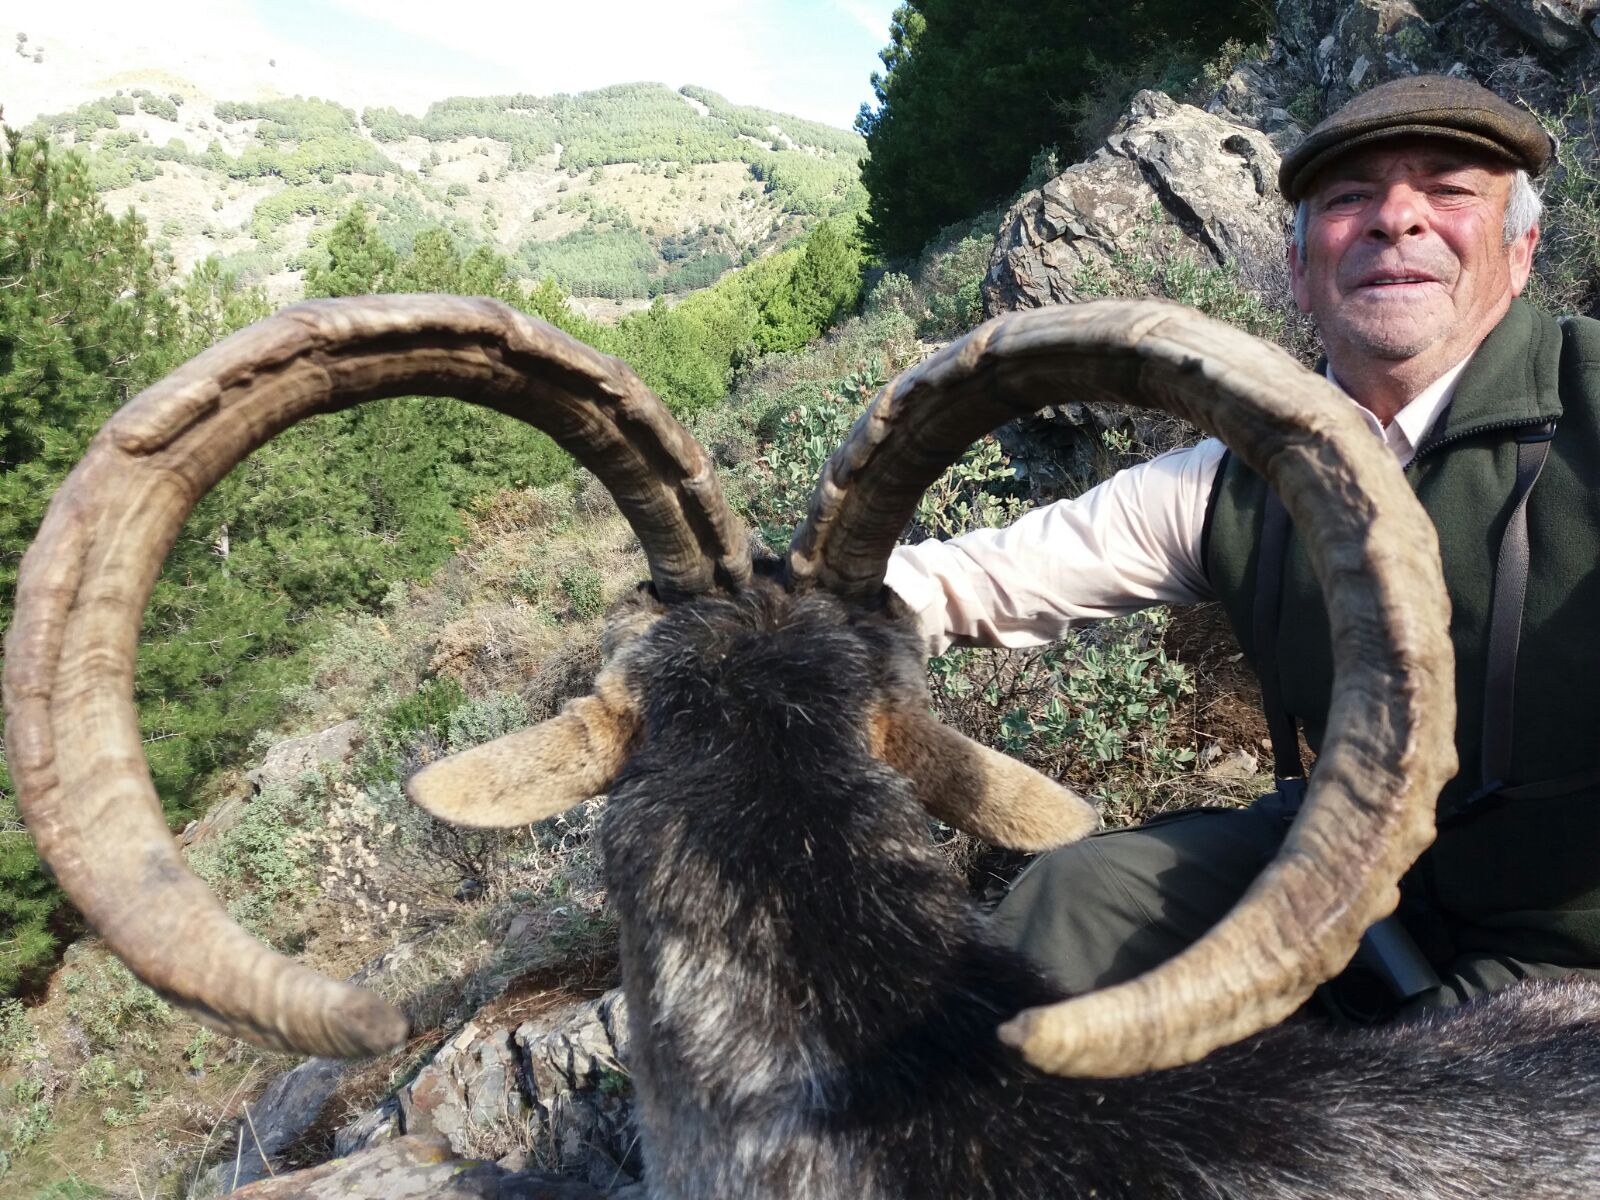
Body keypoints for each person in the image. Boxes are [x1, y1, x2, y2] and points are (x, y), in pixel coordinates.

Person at [885, 74, 1600, 1017]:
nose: (1397, 218)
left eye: (1450, 189)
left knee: (1408, 1129)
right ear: (1301, 271)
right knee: (1079, 901)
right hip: (1344, 883)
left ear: (1520, 254)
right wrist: (797, 608)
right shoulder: (1235, 476)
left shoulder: (1589, 403)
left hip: (1568, 954)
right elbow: (975, 577)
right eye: (1348, 199)